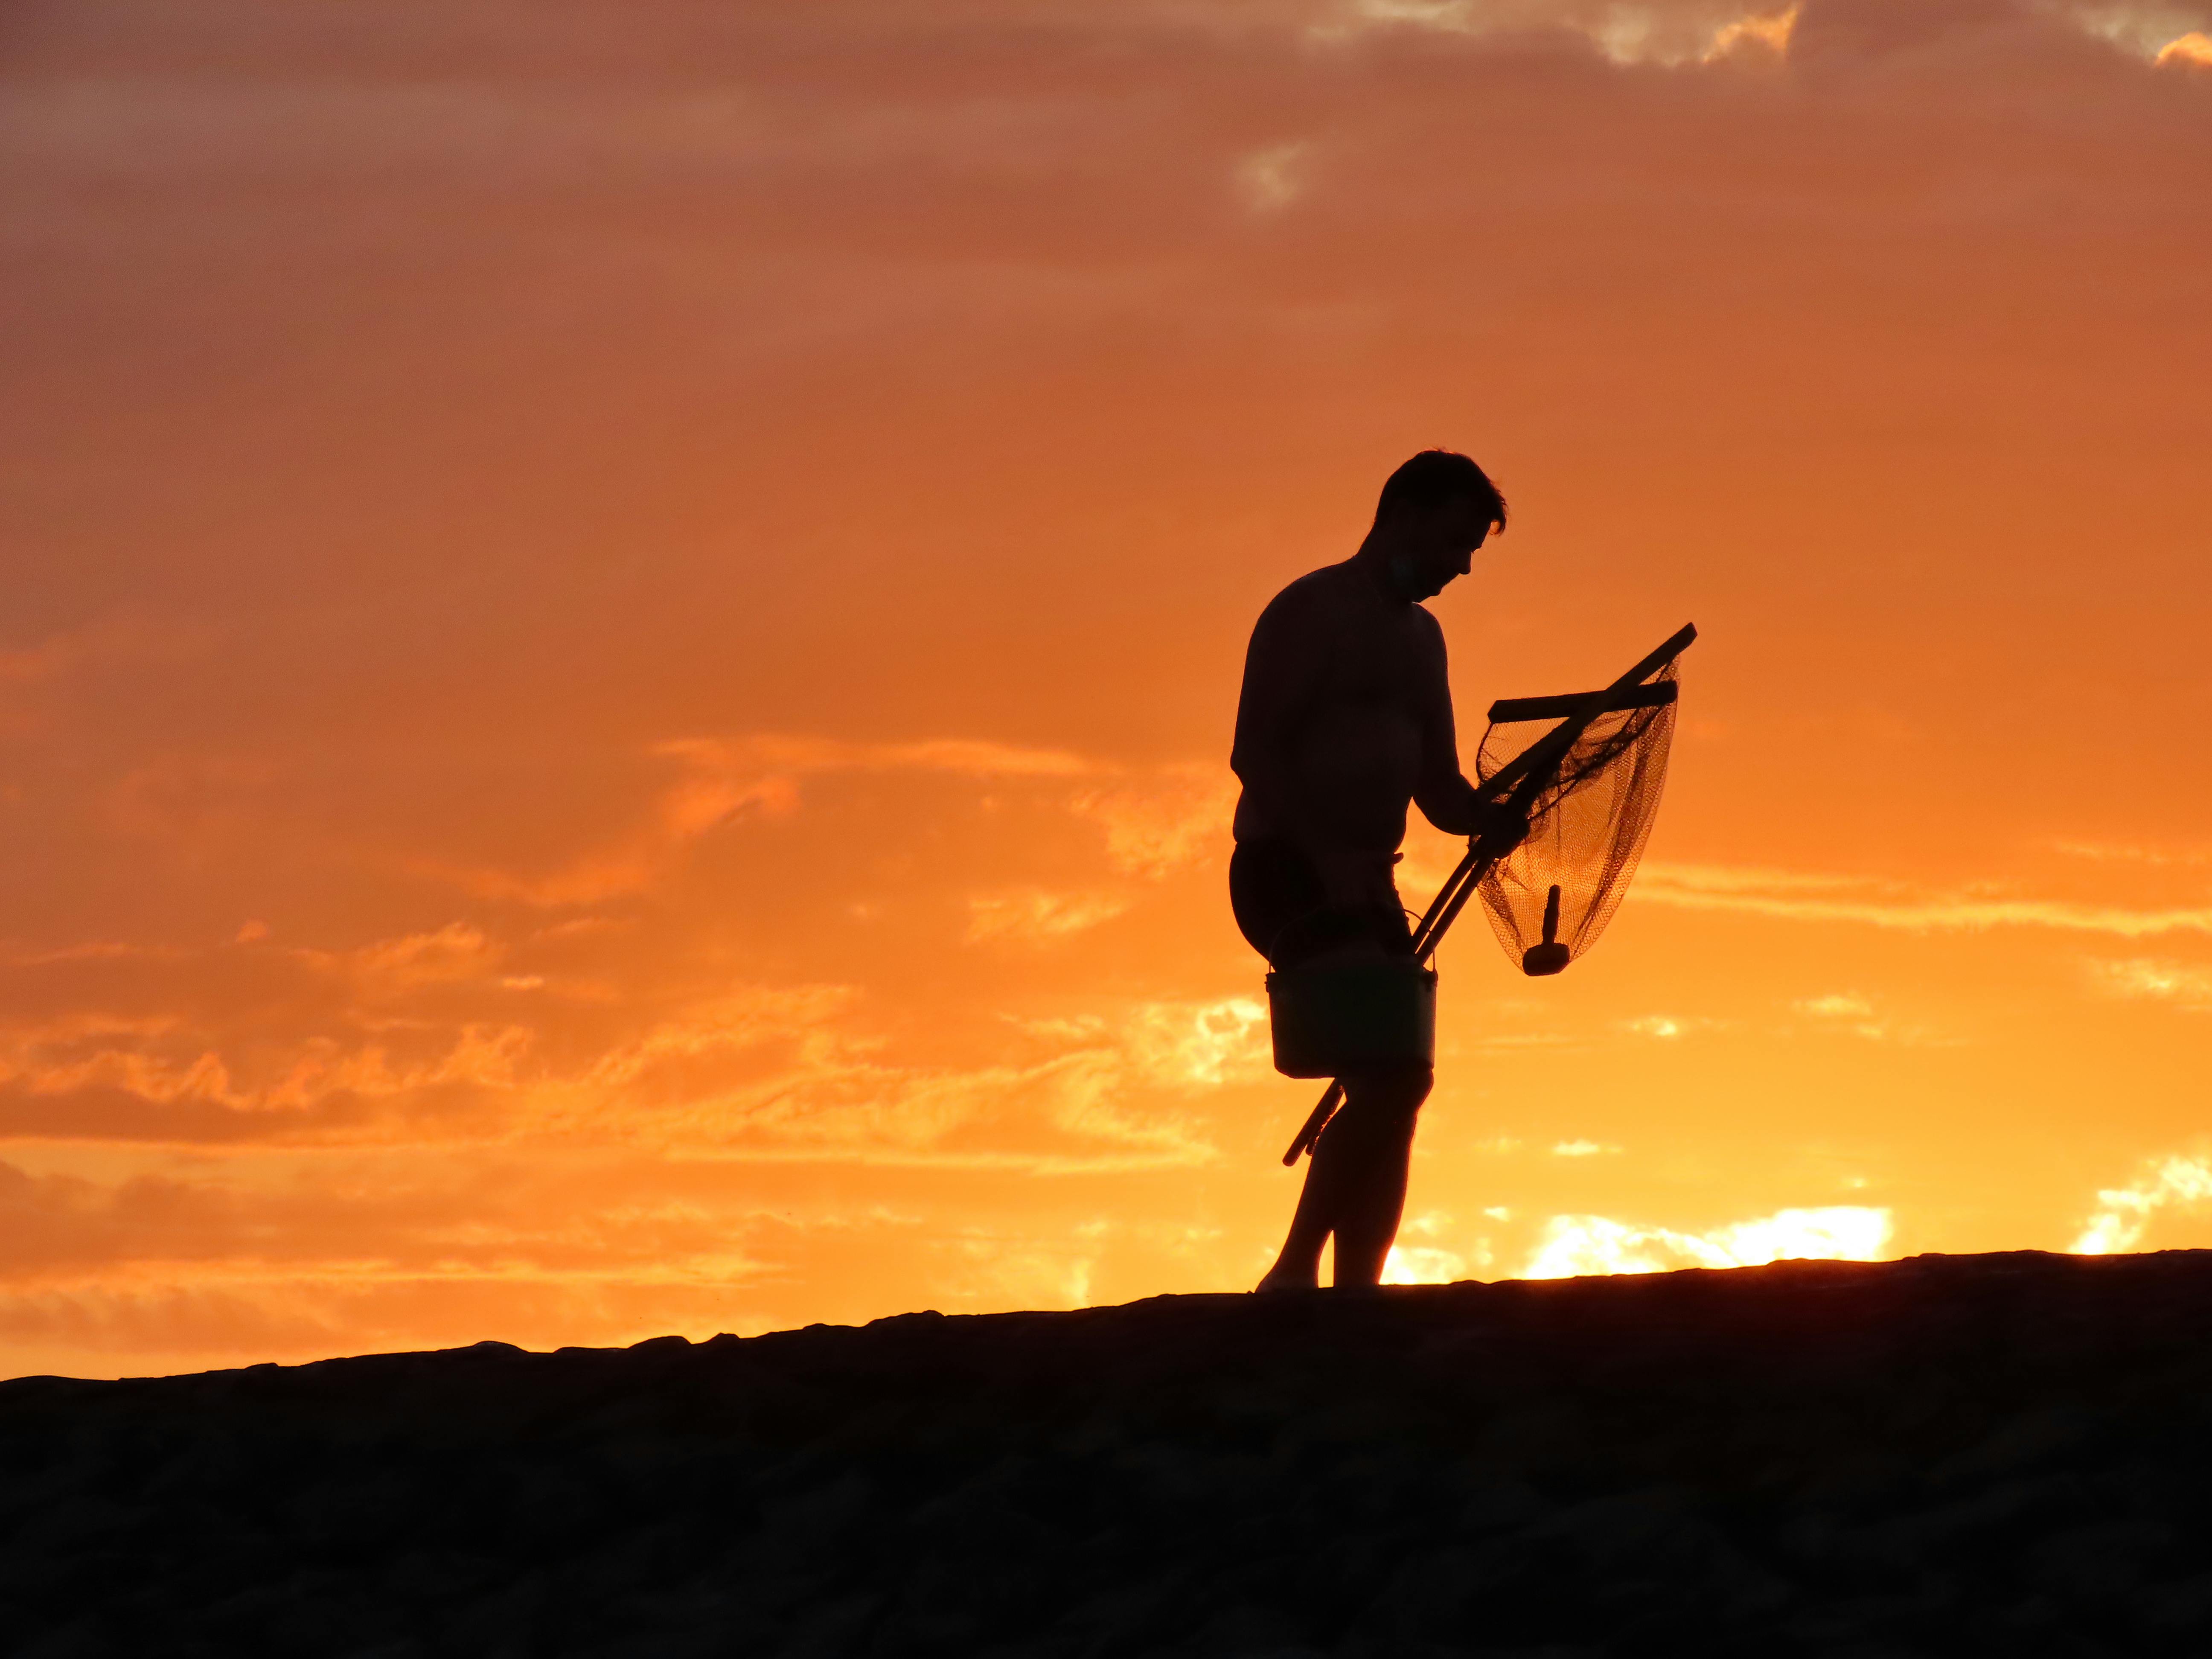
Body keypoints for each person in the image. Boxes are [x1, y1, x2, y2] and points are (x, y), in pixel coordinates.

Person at [1230, 450, 1520, 1291]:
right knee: (1389, 1077)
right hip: (1288, 870)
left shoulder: (1424, 639)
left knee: (1401, 1082)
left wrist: (1485, 819)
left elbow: (1438, 789)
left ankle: (1357, 1288)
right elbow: (1257, 751)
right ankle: (1292, 1274)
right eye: (1456, 541)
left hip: (1371, 884)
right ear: (1406, 515)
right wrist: (1325, 860)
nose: (1463, 565)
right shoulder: (1311, 611)